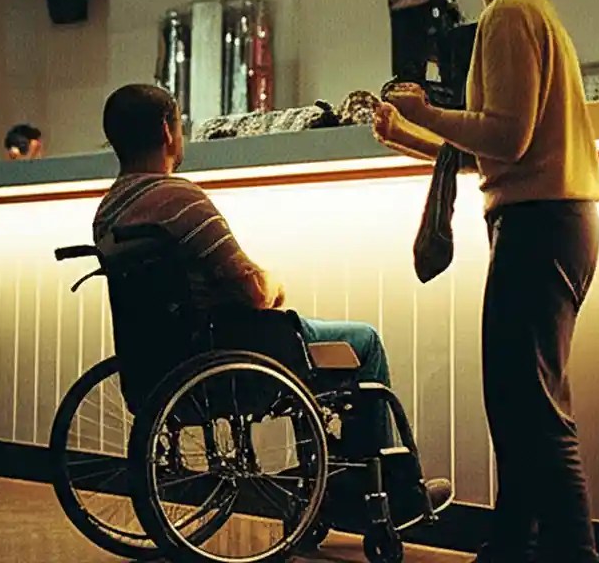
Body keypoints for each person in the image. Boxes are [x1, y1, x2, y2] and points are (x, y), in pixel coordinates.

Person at [377, 0, 599, 563]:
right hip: (553, 222)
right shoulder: (530, 12)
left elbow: (505, 138)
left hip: (539, 225)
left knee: (530, 409)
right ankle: (511, 548)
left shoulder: (511, 13)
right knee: (522, 405)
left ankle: (573, 554)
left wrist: (424, 108)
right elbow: (499, 144)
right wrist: (413, 132)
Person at [92, 83, 453, 514]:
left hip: (160, 363)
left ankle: (337, 485)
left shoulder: (108, 213)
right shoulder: (178, 198)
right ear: (168, 132)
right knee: (364, 343)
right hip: (228, 349)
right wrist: (272, 285)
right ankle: (389, 495)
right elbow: (255, 289)